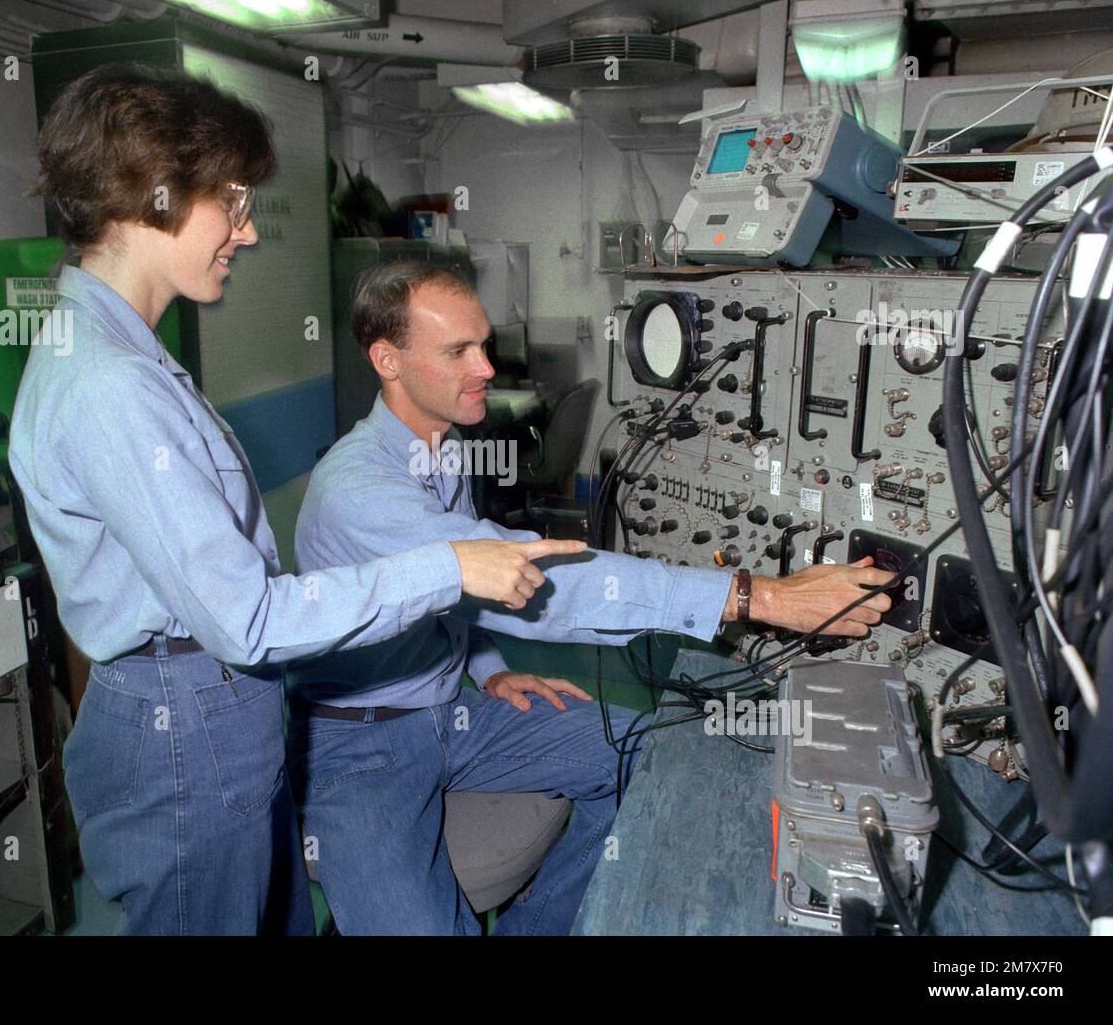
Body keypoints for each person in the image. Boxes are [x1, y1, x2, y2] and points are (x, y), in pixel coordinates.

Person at [8, 66, 583, 936]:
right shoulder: (110, 384)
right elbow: (245, 617)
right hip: (185, 720)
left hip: (210, 704)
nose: (244, 231)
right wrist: (449, 566)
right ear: (151, 195)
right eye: (231, 204)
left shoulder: (114, 350)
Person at [288, 260, 894, 935]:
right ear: (387, 360)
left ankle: (538, 924)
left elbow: (451, 599)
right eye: (458, 351)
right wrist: (758, 597)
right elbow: (534, 583)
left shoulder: (444, 451)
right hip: (359, 749)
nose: (487, 368)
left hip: (453, 713)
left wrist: (490, 673)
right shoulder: (358, 493)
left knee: (643, 752)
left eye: (483, 345)